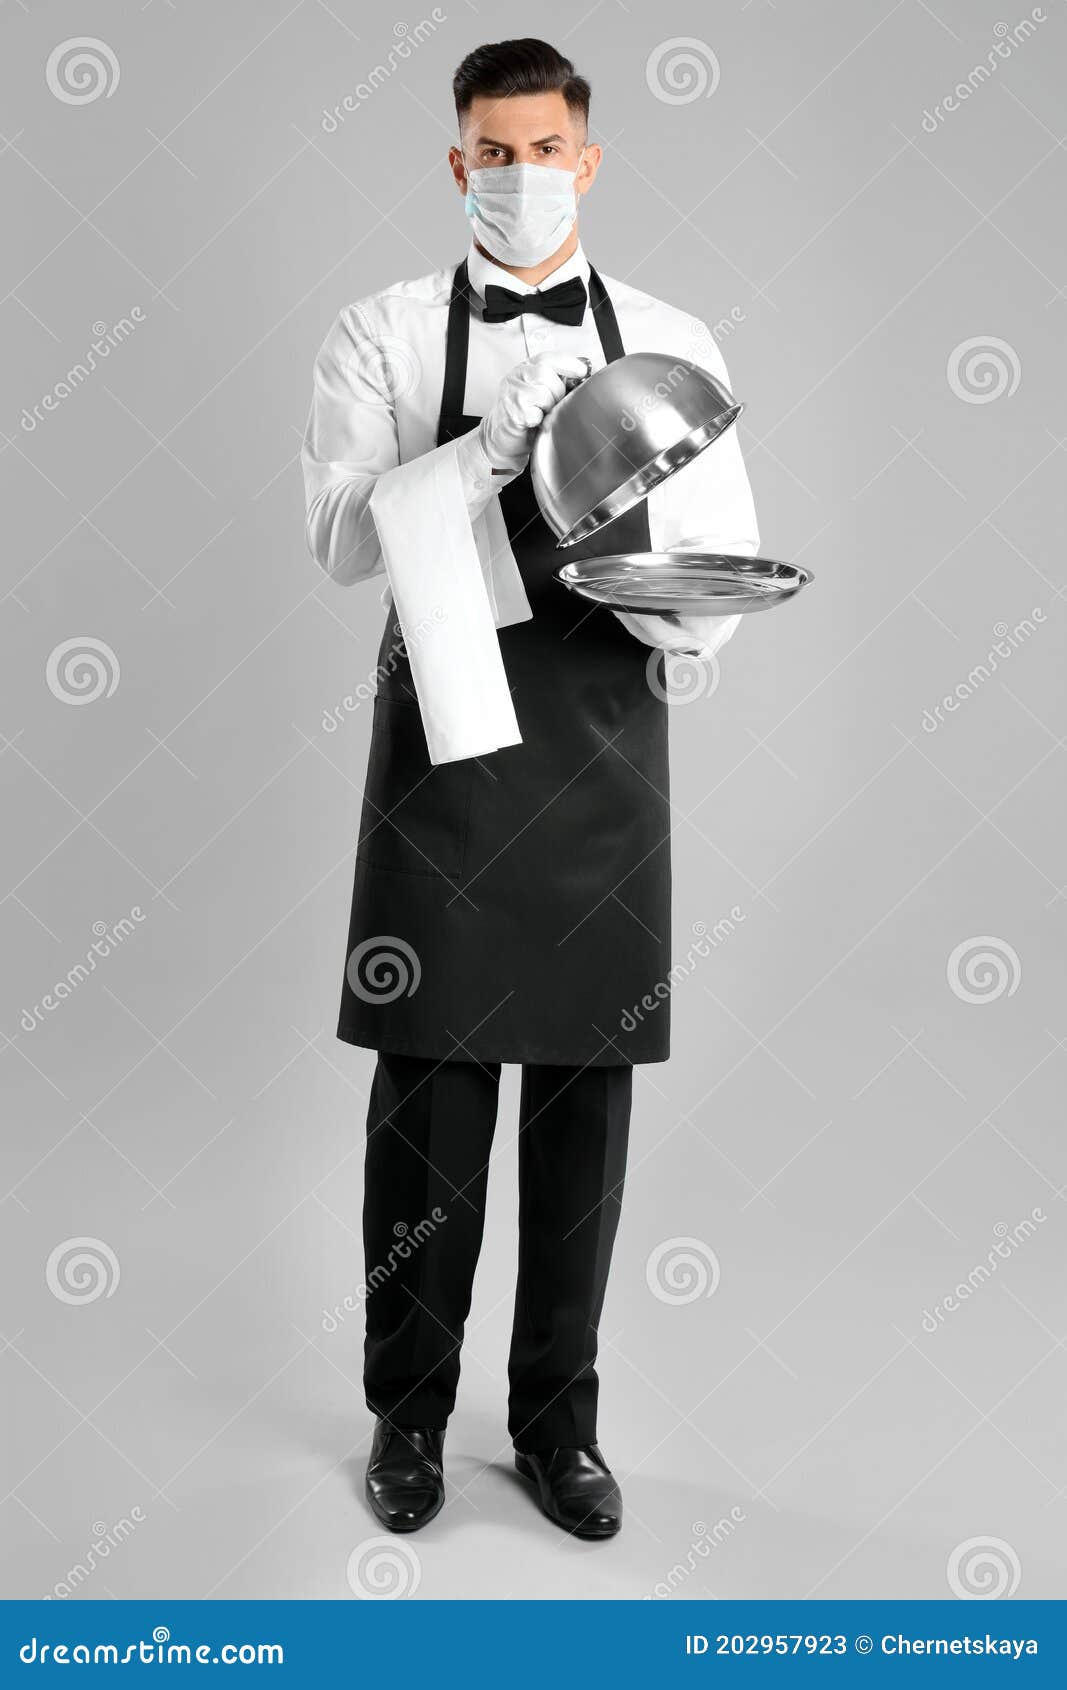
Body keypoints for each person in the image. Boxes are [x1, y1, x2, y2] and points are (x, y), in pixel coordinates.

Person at [302, 37, 759, 1539]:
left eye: (542, 148)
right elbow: (342, 545)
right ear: (454, 163)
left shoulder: (675, 332)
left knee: (586, 1101)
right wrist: (486, 457)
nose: (517, 176)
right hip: (444, 743)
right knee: (428, 1092)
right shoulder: (376, 333)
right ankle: (408, 1419)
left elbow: (712, 587)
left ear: (589, 155)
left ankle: (560, 1424)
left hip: (602, 740)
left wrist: (647, 578)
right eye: (490, 153)